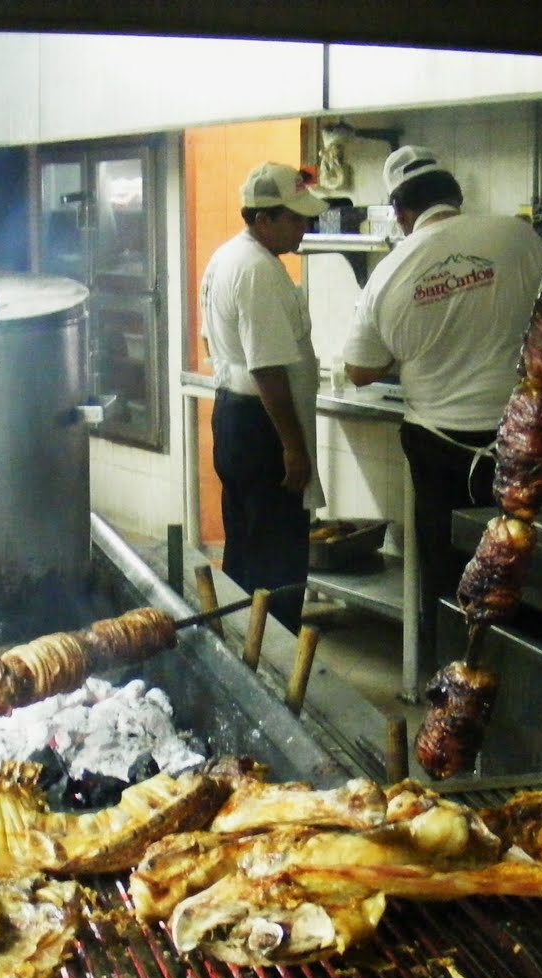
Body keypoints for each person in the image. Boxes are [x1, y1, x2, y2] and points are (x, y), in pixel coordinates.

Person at [342, 145, 542, 665]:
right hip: (521, 441)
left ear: (400, 212)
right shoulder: (519, 237)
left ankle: (452, 680)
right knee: (521, 569)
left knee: (448, 572)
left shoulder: (388, 274)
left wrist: (418, 350)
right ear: (455, 197)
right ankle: (523, 679)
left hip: (440, 448)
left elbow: (360, 370)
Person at [198, 162, 328, 633]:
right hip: (262, 426)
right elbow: (267, 368)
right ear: (263, 218)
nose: (303, 227)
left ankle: (243, 652)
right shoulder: (257, 271)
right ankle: (276, 656)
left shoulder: (228, 258)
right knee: (278, 557)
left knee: (247, 549)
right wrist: (293, 446)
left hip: (236, 418)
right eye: (295, 219)